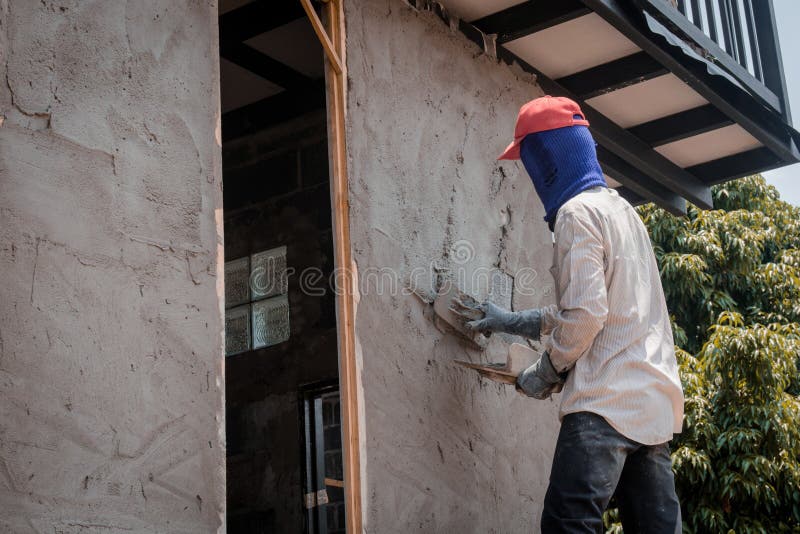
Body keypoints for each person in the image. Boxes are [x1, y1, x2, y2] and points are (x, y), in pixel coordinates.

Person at [454, 96, 684, 533]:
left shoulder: (576, 215)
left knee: (568, 525)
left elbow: (586, 315)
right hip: (651, 409)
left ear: (548, 157)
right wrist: (513, 321)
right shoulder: (623, 212)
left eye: (528, 159)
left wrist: (547, 370)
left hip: (603, 405)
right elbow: (607, 309)